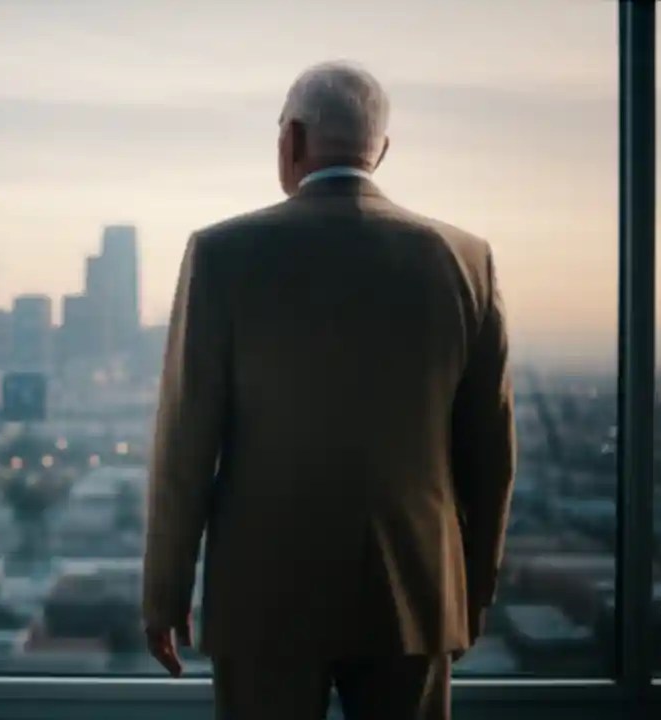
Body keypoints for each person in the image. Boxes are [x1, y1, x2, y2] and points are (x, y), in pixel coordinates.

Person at [141, 61, 516, 720]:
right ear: (382, 151)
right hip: (416, 592)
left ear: (290, 139)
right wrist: (472, 592)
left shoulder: (222, 254)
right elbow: (490, 453)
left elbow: (186, 446)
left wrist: (165, 595)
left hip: (265, 596)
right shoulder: (465, 259)